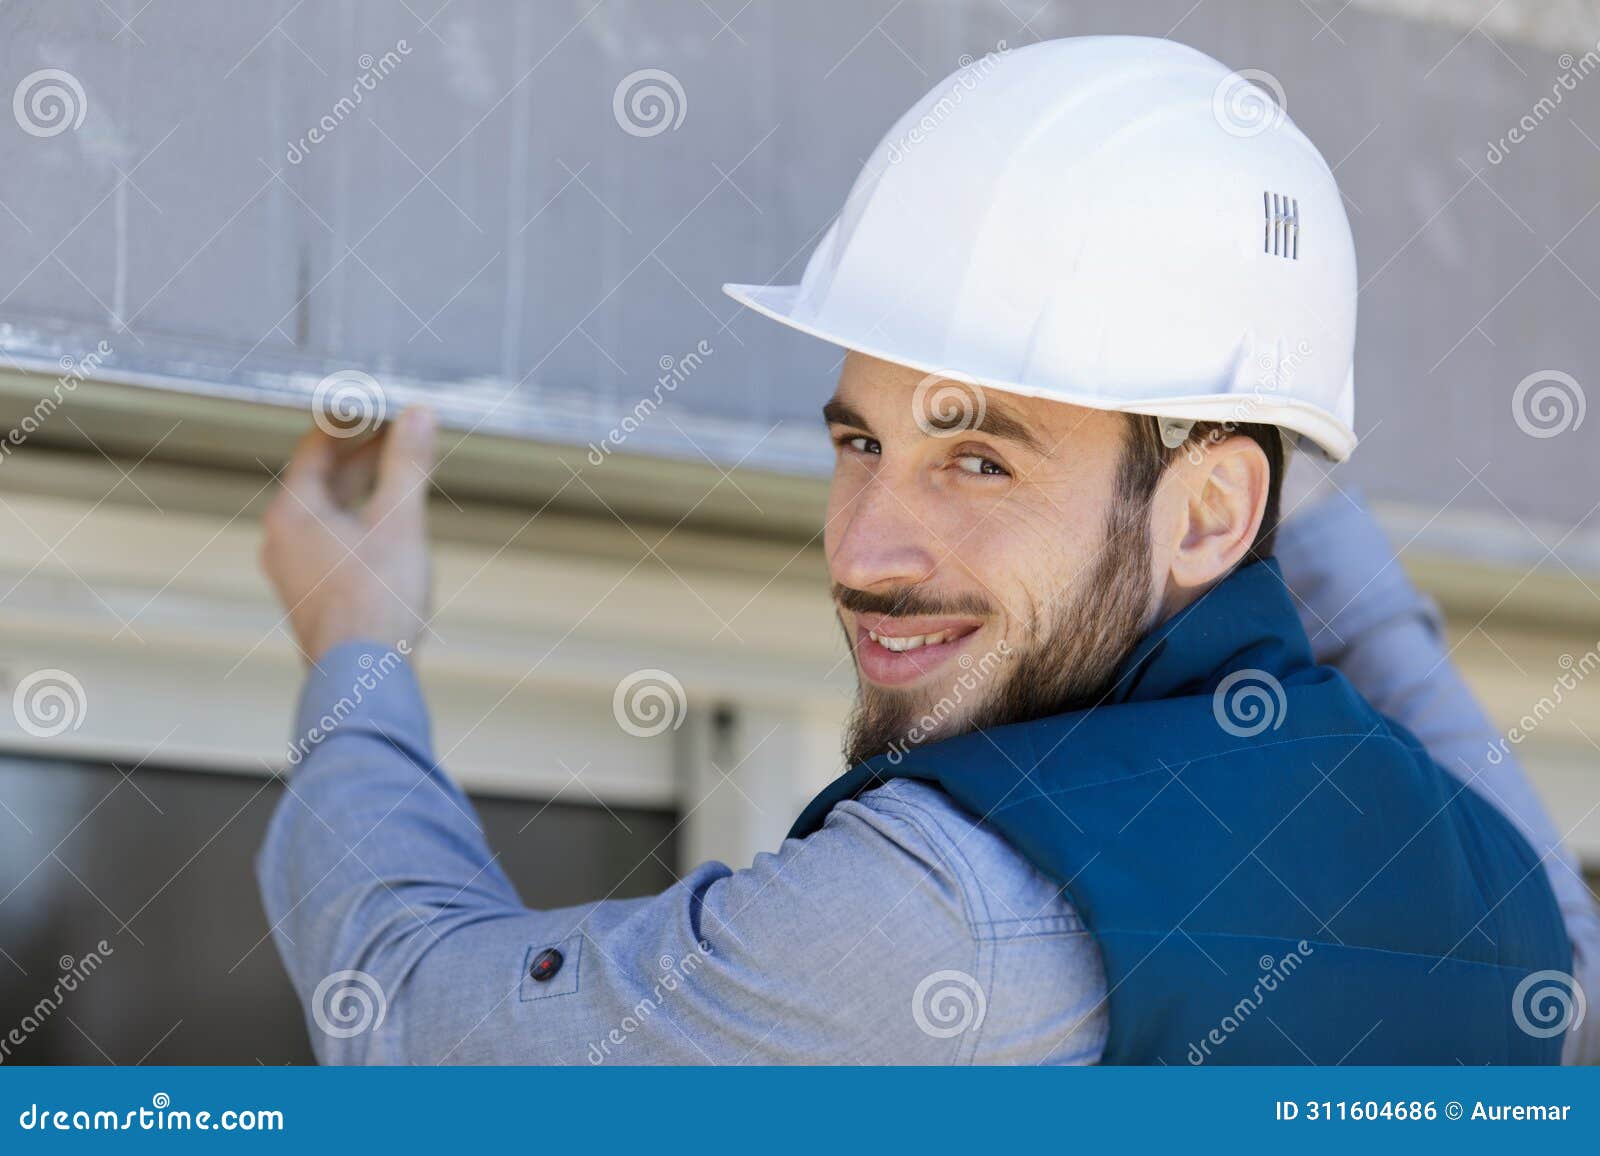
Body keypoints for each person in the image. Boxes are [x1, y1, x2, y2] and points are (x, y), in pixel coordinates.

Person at [256, 37, 1595, 1064]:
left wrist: (354, 652)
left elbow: (414, 1025)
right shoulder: (1516, 913)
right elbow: (1360, 632)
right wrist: (1263, 436)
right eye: (859, 445)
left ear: (1207, 512)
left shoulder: (940, 920)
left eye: (979, 460)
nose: (870, 551)